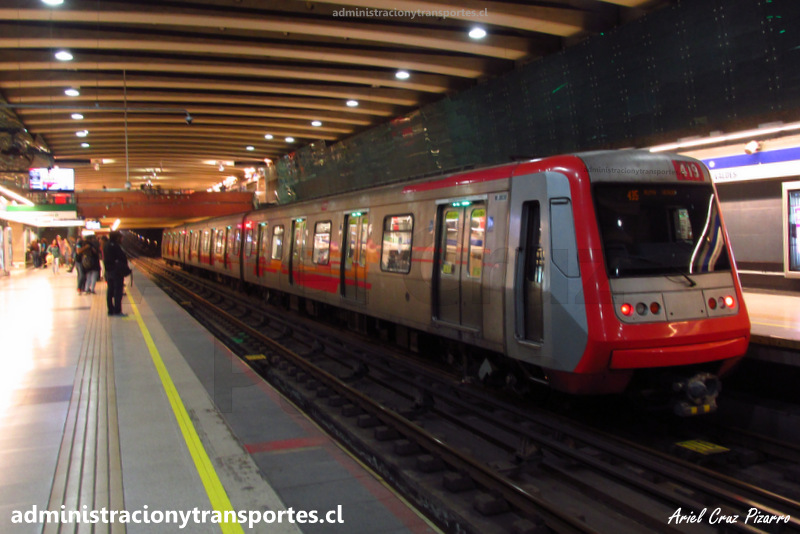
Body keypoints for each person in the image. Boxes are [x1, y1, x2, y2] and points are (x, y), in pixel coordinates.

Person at [103, 231, 128, 316]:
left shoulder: (106, 245)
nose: (121, 239)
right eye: (120, 237)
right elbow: (121, 257)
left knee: (110, 291)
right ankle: (117, 311)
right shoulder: (116, 246)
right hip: (116, 272)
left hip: (108, 271)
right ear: (117, 238)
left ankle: (110, 310)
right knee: (118, 292)